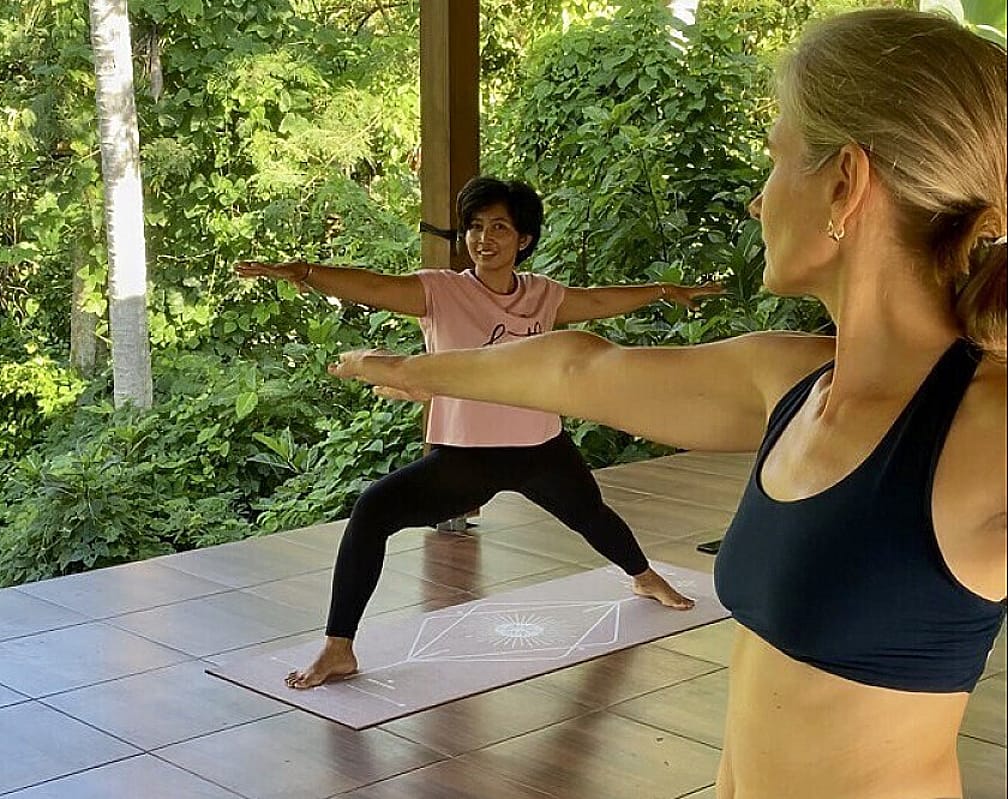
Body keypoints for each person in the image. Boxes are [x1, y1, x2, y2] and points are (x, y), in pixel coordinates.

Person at [325, 9, 1006, 799]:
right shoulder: (788, 382)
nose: (758, 201)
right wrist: (419, 371)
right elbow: (581, 371)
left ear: (845, 184)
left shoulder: (981, 427)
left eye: (775, 160)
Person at [235, 175, 723, 689]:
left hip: (541, 446)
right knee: (372, 511)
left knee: (590, 514)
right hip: (466, 456)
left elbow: (599, 302)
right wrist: (306, 273)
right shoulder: (441, 291)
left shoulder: (542, 295)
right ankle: (338, 648)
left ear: (524, 239)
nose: (483, 239)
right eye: (474, 227)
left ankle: (644, 578)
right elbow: (374, 286)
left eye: (499, 228)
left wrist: (665, 290)